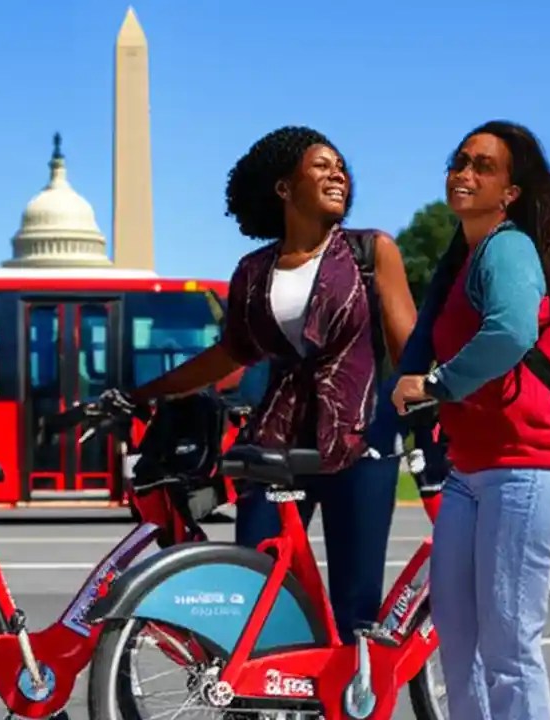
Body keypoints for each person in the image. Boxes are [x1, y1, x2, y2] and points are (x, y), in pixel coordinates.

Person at [97, 126, 419, 642]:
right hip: (276, 443)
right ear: (284, 188)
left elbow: (409, 351)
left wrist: (444, 401)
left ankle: (349, 698)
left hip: (360, 441)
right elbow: (231, 354)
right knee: (257, 587)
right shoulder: (253, 271)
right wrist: (144, 393)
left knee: (355, 605)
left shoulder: (370, 252)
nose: (337, 173)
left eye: (341, 166)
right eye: (321, 165)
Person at [390, 120, 550, 720]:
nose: (464, 173)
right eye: (459, 161)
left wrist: (436, 383)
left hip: (525, 469)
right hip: (471, 471)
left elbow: (510, 331)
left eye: (482, 166)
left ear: (509, 192)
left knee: (508, 647)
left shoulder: (508, 248)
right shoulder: (465, 258)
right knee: (459, 645)